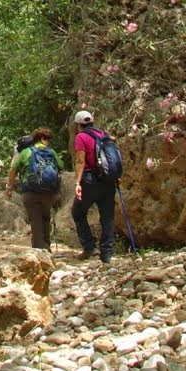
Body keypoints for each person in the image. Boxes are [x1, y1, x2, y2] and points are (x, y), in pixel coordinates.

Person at [70, 109, 116, 263]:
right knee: (107, 216)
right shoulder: (104, 135)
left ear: (78, 125)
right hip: (108, 180)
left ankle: (90, 247)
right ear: (92, 122)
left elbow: (80, 161)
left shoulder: (81, 137)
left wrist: (77, 182)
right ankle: (107, 254)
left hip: (90, 181)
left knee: (78, 212)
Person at [5, 127, 62, 250]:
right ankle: (47, 248)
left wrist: (9, 187)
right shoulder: (51, 152)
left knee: (35, 220)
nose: (49, 142)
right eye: (47, 139)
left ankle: (40, 251)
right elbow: (60, 166)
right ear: (42, 139)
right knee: (46, 218)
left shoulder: (26, 152)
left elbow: (13, 169)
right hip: (48, 191)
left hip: (30, 191)